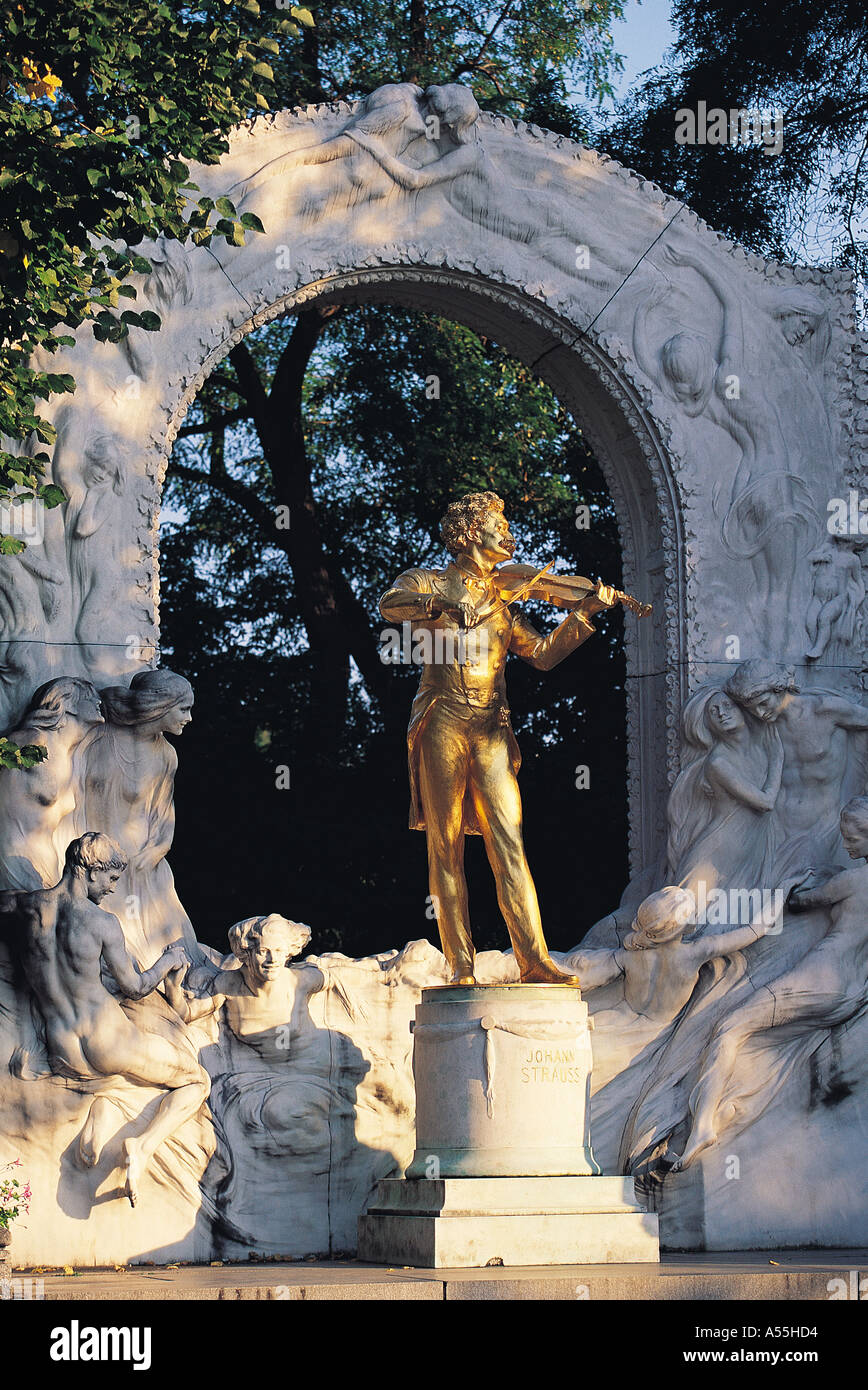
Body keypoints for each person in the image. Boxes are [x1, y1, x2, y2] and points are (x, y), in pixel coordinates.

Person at [379, 490, 615, 984]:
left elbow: (545, 655)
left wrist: (584, 613)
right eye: (495, 525)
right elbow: (390, 604)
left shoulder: (504, 599)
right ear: (468, 534)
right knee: (445, 848)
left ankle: (535, 961)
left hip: (491, 725)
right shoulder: (430, 580)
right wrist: (439, 602)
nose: (506, 534)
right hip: (442, 717)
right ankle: (460, 966)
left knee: (509, 841)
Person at [2, 832, 206, 1207]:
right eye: (111, 879)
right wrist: (169, 961)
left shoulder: (25, 908)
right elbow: (136, 987)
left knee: (118, 1080)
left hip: (60, 1047)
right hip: (108, 1040)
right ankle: (142, 1147)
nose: (113, 888)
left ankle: (103, 1117)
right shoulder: (102, 923)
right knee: (196, 1079)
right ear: (90, 869)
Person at [668, 797, 868, 1172]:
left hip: (821, 976)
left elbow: (798, 902)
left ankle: (704, 1126)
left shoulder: (850, 881)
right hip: (850, 992)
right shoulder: (851, 881)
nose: (848, 844)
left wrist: (794, 881)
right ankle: (729, 1107)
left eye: (853, 837)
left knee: (729, 1028)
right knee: (758, 1039)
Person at [0, 677, 104, 891]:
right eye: (88, 696)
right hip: (11, 854)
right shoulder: (34, 739)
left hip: (48, 863)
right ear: (68, 703)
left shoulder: (67, 754)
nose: (98, 701)